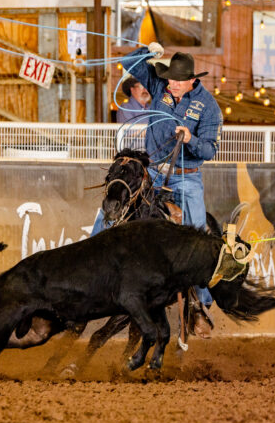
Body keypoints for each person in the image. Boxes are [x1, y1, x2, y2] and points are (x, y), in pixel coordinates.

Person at [92, 42, 222, 309]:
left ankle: (201, 301)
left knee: (197, 231)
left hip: (187, 177)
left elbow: (209, 150)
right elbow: (129, 63)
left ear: (192, 81)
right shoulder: (159, 85)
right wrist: (147, 52)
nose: (172, 84)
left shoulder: (209, 107)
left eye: (177, 80)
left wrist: (190, 138)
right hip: (151, 170)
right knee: (113, 204)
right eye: (170, 78)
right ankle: (89, 259)